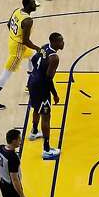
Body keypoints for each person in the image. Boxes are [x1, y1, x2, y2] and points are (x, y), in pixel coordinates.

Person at [0, 0, 41, 109]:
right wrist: (38, 48)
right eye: (33, 3)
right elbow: (26, 41)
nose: (35, 5)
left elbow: (8, 24)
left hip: (13, 41)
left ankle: (29, 84)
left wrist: (15, 36)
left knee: (34, 57)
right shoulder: (28, 21)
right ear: (27, 6)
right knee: (7, 72)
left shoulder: (17, 11)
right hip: (18, 48)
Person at [27, 32, 64, 160]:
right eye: (60, 41)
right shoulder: (54, 58)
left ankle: (34, 132)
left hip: (32, 81)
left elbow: (33, 59)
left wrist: (37, 72)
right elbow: (48, 79)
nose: (63, 43)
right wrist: (55, 94)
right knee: (46, 116)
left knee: (36, 108)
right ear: (54, 42)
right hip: (41, 88)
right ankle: (46, 149)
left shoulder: (44, 47)